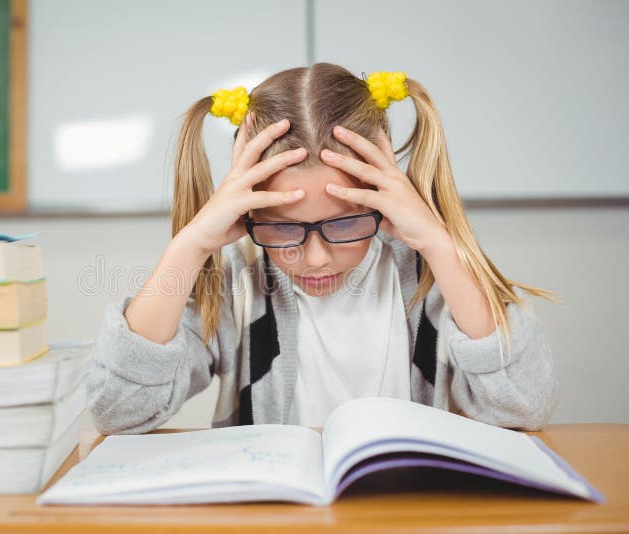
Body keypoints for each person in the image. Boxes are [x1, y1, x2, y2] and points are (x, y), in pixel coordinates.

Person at [86, 63, 560, 434]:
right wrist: (189, 246)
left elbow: (523, 404)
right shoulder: (236, 282)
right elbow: (117, 411)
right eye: (280, 229)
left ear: (384, 199)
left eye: (346, 222)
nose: (313, 258)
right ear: (246, 216)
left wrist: (439, 244)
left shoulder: (435, 280)